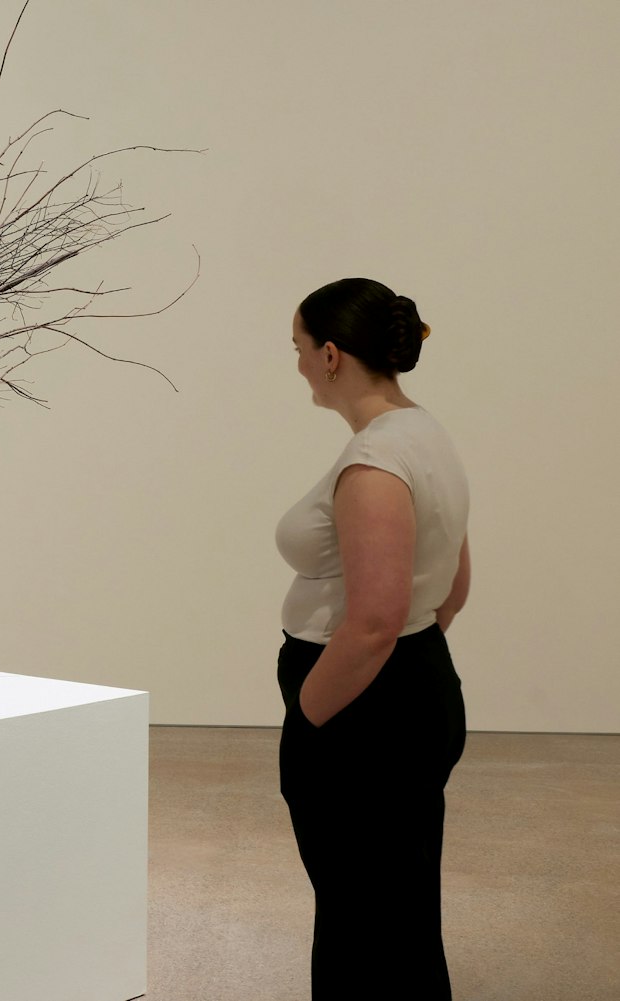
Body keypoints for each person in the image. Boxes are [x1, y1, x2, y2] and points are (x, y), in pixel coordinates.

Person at [275, 278, 471, 999]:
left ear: (331, 355)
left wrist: (310, 711)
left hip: (363, 713)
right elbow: (452, 583)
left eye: (298, 349)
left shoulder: (374, 462)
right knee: (399, 911)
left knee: (362, 921)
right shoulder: (424, 433)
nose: (296, 365)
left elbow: (373, 622)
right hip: (413, 687)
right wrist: (413, 663)